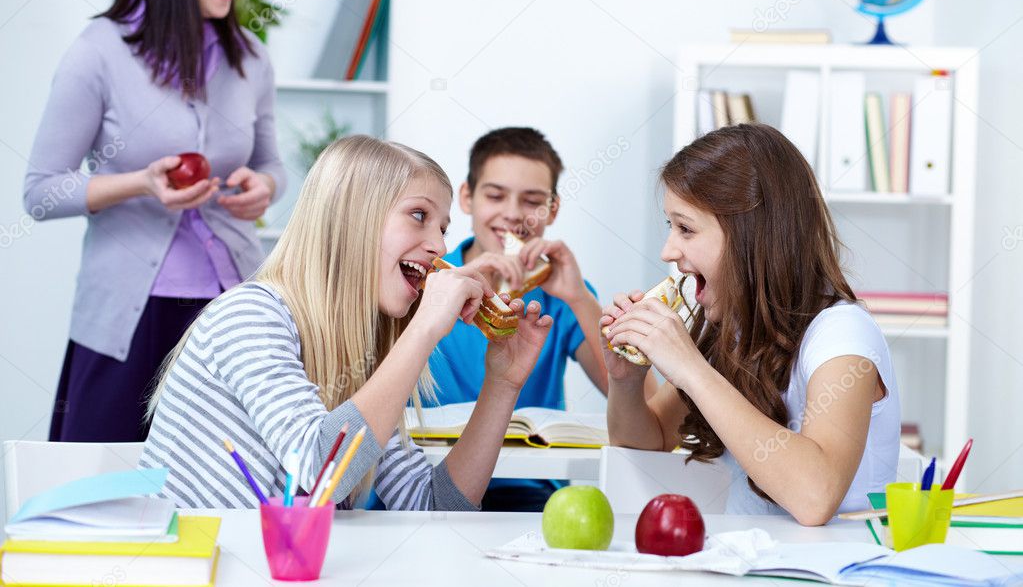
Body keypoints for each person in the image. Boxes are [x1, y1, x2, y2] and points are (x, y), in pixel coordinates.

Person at [140, 136, 553, 510]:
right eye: (418, 215)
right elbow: (323, 475)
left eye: (443, 228)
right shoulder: (249, 316)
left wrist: (503, 384)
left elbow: (435, 508)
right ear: (354, 219)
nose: (441, 246)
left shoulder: (367, 359)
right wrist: (425, 327)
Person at [23, 0, 285, 442]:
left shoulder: (250, 58)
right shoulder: (98, 52)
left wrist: (266, 188)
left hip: (227, 307)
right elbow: (41, 191)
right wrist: (142, 183)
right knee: (102, 486)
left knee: (227, 483)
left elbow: (269, 164)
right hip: (128, 317)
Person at [603, 123, 900, 525]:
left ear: (751, 236)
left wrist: (691, 368)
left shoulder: (842, 335)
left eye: (686, 228)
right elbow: (647, 440)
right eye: (670, 226)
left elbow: (815, 498)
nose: (668, 251)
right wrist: (627, 380)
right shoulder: (732, 327)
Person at [428, 127, 654, 512]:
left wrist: (580, 299)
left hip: (529, 488)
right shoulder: (431, 279)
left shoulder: (563, 295)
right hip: (429, 476)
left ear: (552, 209)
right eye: (496, 196)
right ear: (467, 197)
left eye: (532, 201)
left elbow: (649, 402)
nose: (514, 214)